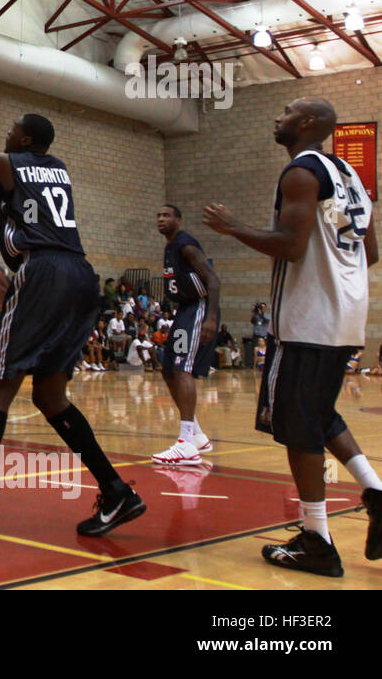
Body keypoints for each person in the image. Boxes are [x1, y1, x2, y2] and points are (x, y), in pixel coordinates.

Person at [0, 114, 145, 537]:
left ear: (24, 138)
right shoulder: (57, 168)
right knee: (49, 395)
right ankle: (117, 491)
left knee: (0, 388)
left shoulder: (4, 161)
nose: (5, 132)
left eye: (11, 127)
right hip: (81, 275)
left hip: (41, 270)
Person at [203, 96, 382, 576]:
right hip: (345, 316)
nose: (275, 116)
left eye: (284, 111)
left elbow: (291, 246)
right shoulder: (352, 179)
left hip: (307, 321)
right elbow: (371, 254)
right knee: (320, 415)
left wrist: (232, 227)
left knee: (298, 428)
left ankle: (317, 540)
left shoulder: (301, 172)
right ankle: (375, 491)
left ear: (305, 124)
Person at [151, 204, 222, 466]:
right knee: (168, 370)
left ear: (178, 220)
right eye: (158, 215)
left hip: (198, 307)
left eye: (166, 215)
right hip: (184, 310)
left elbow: (213, 279)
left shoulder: (185, 244)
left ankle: (186, 444)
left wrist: (211, 317)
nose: (161, 219)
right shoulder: (170, 246)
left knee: (182, 369)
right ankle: (197, 434)